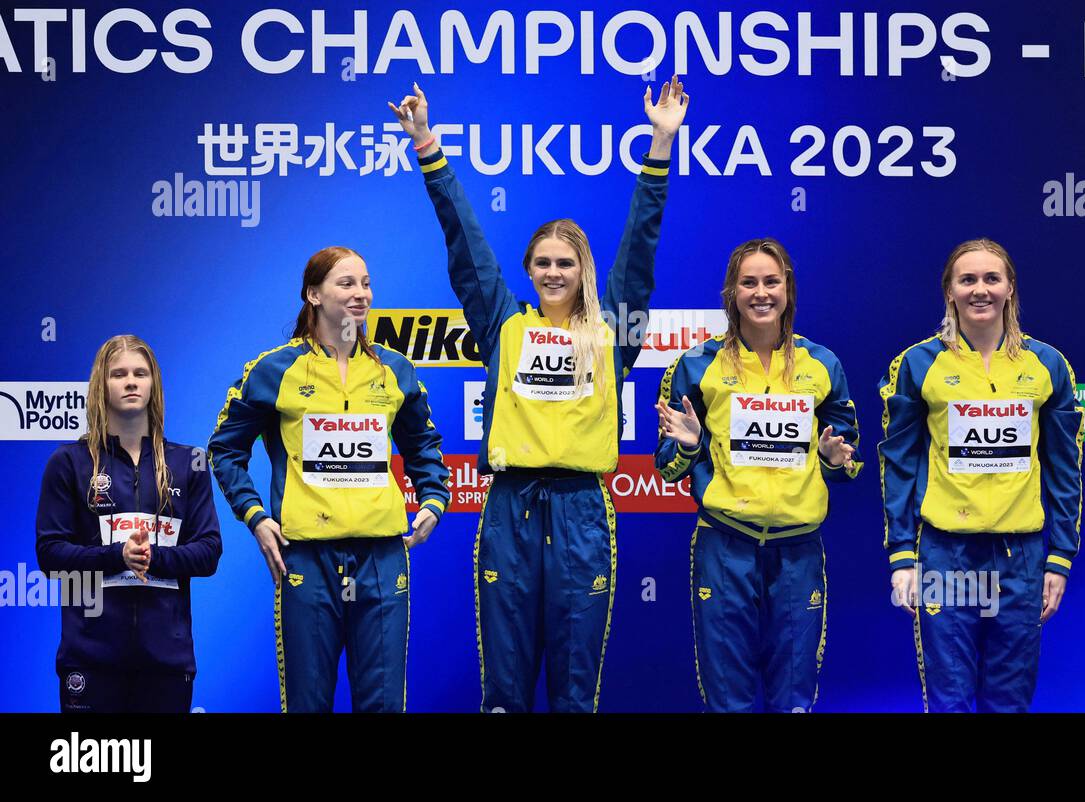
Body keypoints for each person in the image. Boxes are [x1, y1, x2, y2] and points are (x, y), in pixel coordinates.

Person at [388, 76, 688, 712]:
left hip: (584, 511)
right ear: (528, 272)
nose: (554, 272)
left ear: (584, 271)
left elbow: (640, 248)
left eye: (566, 262)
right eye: (543, 263)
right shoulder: (505, 326)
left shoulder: (612, 334)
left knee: (577, 688)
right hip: (509, 509)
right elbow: (466, 244)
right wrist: (428, 148)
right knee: (504, 685)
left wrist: (661, 144)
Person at [208, 246, 451, 712]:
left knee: (383, 706)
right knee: (307, 705)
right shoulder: (274, 369)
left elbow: (423, 445)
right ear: (313, 294)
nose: (360, 294)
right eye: (346, 283)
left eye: (365, 283)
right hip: (306, 560)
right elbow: (225, 448)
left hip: (381, 557)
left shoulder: (395, 368)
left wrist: (434, 499)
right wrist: (256, 517)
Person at [655, 238, 861, 712]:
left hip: (798, 550)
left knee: (793, 700)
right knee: (727, 700)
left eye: (772, 281)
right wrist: (689, 446)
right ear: (731, 291)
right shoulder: (696, 364)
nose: (761, 292)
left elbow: (848, 459)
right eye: (749, 282)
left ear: (788, 288)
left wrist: (833, 457)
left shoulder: (823, 364)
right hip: (724, 547)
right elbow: (665, 466)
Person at [877, 238, 1084, 713]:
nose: (980, 290)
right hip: (945, 554)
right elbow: (900, 464)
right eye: (967, 279)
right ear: (949, 290)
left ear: (1010, 287)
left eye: (992, 278)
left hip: (1024, 557)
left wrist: (1059, 559)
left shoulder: (1048, 364)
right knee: (949, 699)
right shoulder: (918, 363)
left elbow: (1064, 470)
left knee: (1009, 700)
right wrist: (902, 554)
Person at [36, 335, 222, 712]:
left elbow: (209, 551)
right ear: (101, 386)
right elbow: (50, 554)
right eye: (118, 374)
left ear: (154, 383)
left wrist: (155, 557)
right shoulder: (69, 462)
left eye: (141, 373)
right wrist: (117, 556)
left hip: (167, 663)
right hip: (89, 661)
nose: (131, 382)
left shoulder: (190, 463)